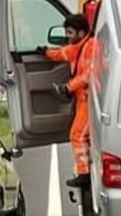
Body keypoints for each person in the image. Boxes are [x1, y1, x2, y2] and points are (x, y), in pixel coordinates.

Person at [38, 14, 96, 188]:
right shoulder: (77, 46)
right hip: (83, 99)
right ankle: (86, 170)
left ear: (81, 32)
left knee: (77, 135)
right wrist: (45, 52)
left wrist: (68, 87)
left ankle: (84, 174)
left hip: (89, 99)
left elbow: (88, 74)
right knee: (81, 136)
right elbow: (61, 53)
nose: (67, 36)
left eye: (70, 32)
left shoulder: (91, 46)